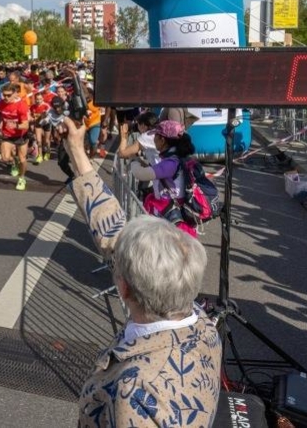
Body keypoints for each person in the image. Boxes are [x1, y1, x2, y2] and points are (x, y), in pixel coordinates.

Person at [59, 116, 221, 428]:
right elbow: (115, 234)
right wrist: (78, 153)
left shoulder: (135, 396)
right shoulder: (204, 323)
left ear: (125, 289)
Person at [127, 120, 202, 238]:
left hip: (170, 215)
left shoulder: (171, 162)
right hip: (179, 212)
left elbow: (141, 174)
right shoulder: (181, 157)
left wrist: (133, 160)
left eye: (155, 136)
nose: (153, 139)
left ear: (162, 140)